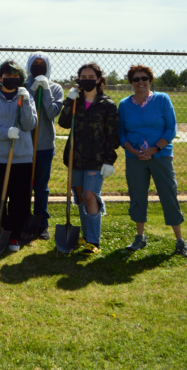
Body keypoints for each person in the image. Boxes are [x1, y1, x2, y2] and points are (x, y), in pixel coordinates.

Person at [118, 65, 187, 259]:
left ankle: (180, 241)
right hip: (135, 158)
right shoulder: (124, 104)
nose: (140, 82)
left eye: (144, 78)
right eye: (136, 79)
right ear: (131, 82)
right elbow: (121, 133)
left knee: (169, 195)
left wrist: (155, 148)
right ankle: (140, 237)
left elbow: (171, 128)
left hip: (161, 156)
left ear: (150, 80)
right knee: (137, 196)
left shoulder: (162, 99)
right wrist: (133, 150)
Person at [58, 63, 120, 254]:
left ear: (99, 79)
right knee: (80, 196)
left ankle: (94, 240)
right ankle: (85, 236)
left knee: (90, 194)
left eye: (91, 76)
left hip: (96, 158)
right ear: (79, 80)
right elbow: (64, 123)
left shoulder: (107, 104)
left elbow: (113, 135)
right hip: (75, 158)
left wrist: (109, 160)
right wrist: (69, 101)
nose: (87, 79)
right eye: (83, 76)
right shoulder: (75, 101)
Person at [0, 60, 37, 252]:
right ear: (0, 77)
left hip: (22, 156)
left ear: (20, 78)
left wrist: (26, 101)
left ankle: (14, 235)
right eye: (7, 76)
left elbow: (29, 125)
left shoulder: (25, 96)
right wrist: (5, 132)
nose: (11, 79)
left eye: (15, 76)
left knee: (20, 198)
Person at [24, 52, 64, 240]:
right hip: (24, 145)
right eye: (35, 63)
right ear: (29, 65)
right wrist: (32, 90)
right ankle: (23, 220)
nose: (39, 67)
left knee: (41, 187)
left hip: (44, 145)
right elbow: (22, 109)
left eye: (42, 64)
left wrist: (45, 90)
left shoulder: (56, 88)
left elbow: (51, 113)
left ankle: (41, 223)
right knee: (23, 186)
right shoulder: (23, 86)